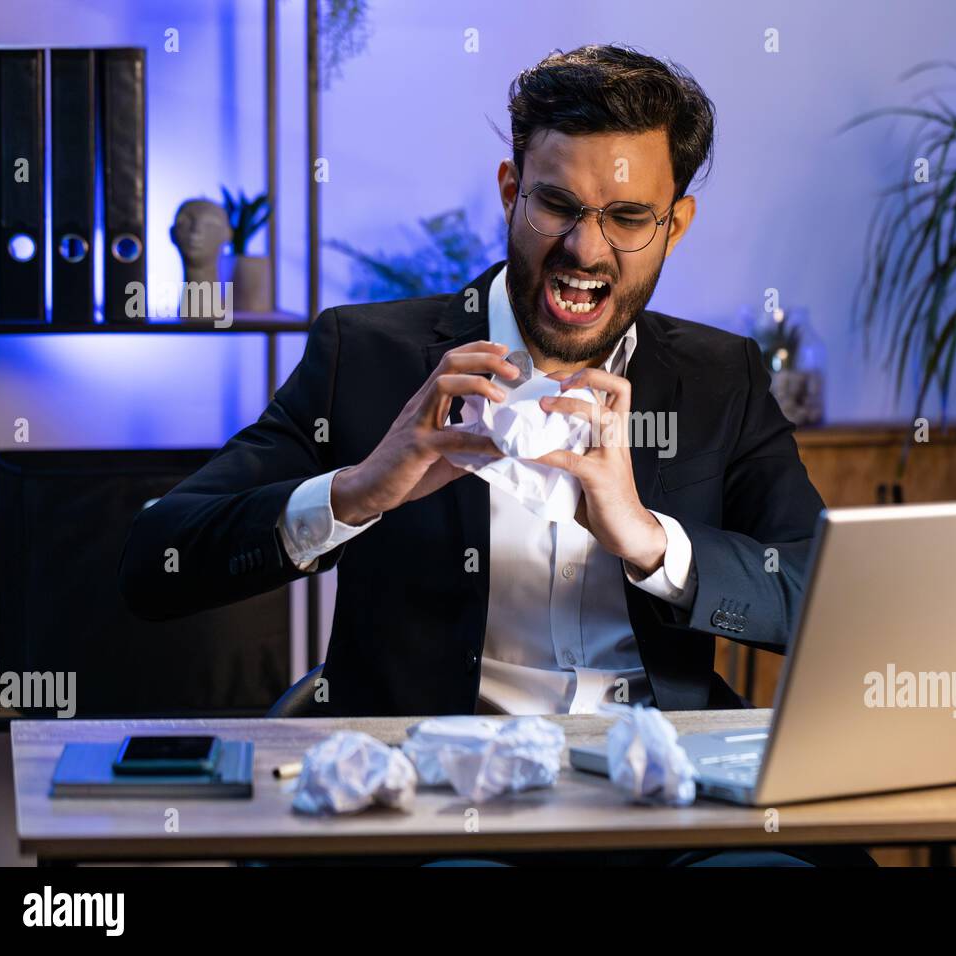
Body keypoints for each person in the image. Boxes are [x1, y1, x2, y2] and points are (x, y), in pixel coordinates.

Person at [120, 44, 826, 723]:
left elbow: (820, 598)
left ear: (674, 228)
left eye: (628, 218)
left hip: (664, 795)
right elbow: (156, 564)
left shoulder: (720, 376)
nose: (585, 248)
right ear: (511, 192)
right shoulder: (364, 356)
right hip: (447, 797)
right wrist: (359, 491)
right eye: (557, 206)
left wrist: (650, 544)